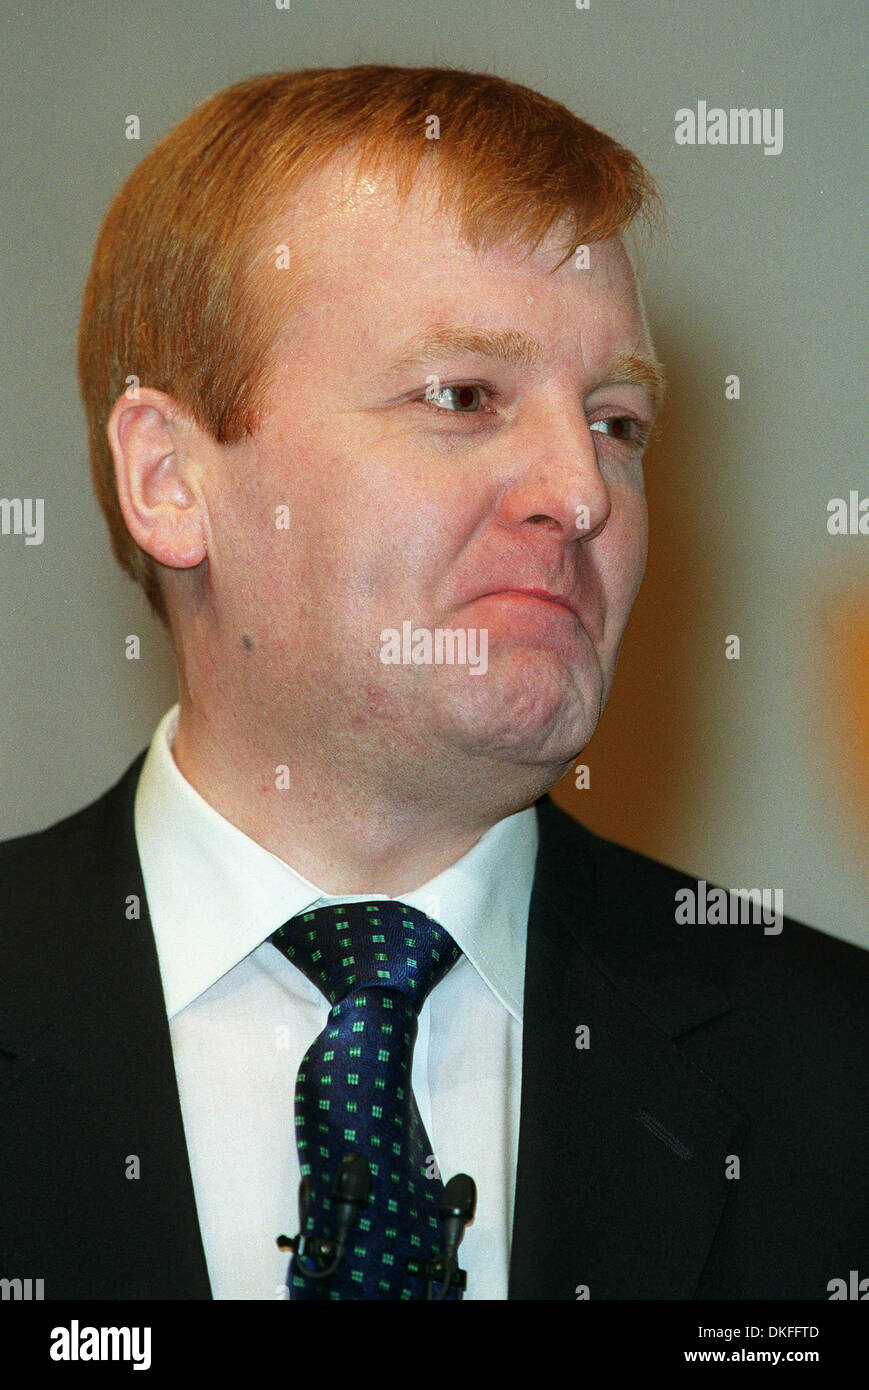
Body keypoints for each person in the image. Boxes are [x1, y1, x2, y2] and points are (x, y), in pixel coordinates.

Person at [1, 64, 866, 1302]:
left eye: (617, 421)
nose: (579, 493)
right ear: (171, 481)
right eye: (462, 396)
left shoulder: (836, 1078)